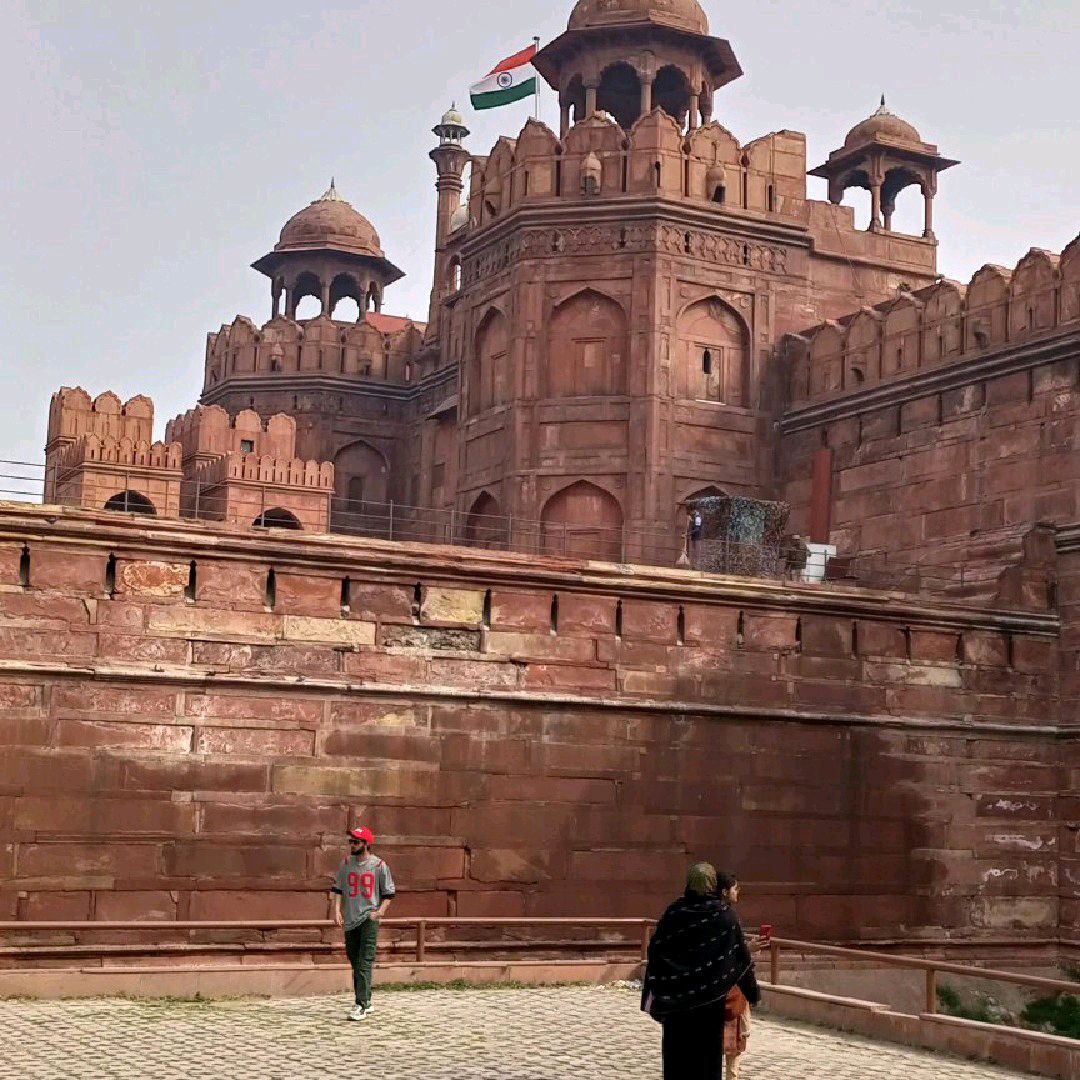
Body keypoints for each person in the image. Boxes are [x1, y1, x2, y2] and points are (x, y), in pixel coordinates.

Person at [642, 865, 760, 1080]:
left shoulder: (674, 913)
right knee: (706, 1065)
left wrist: (658, 991)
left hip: (676, 1006)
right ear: (713, 886)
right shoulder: (724, 916)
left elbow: (656, 952)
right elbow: (740, 958)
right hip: (708, 1007)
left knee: (677, 1063)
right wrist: (752, 992)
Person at [329, 826, 395, 1021]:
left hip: (368, 918)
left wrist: (379, 912)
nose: (352, 845)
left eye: (356, 841)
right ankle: (366, 999)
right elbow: (338, 889)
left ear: (366, 844)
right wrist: (336, 911)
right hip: (350, 919)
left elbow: (389, 893)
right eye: (351, 841)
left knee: (364, 961)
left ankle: (362, 1004)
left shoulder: (379, 866)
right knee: (354, 959)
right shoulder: (346, 864)